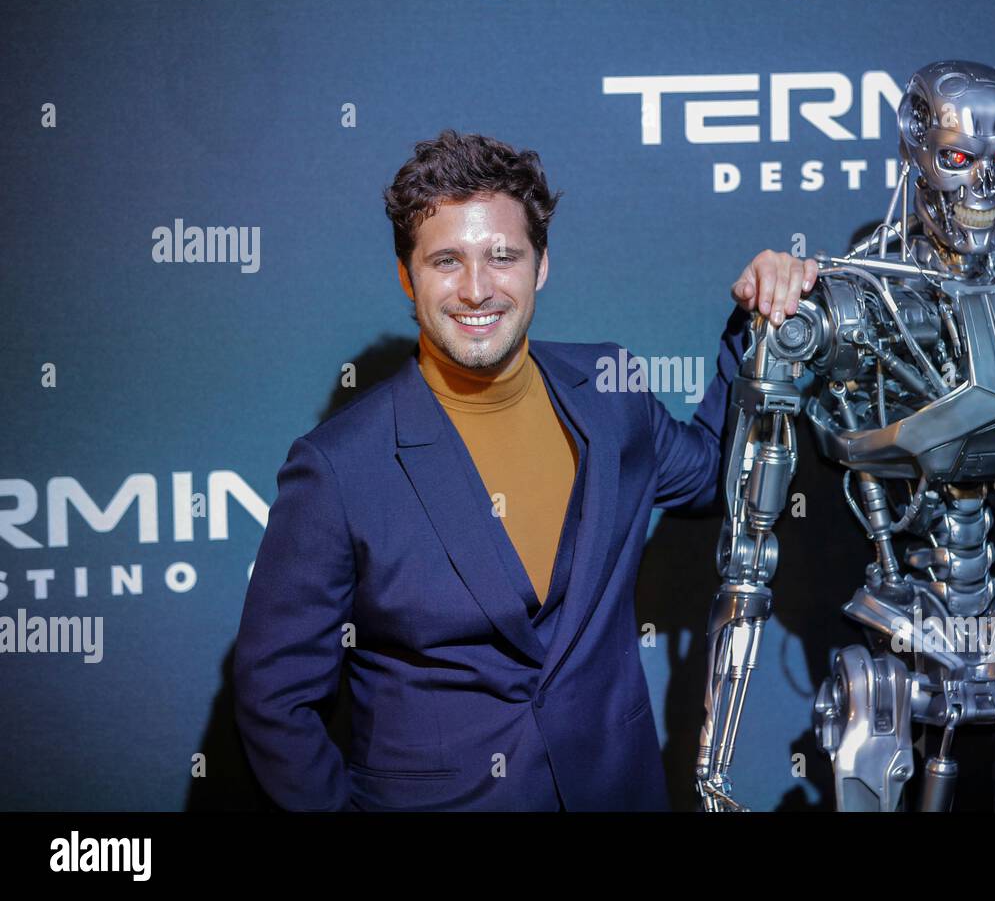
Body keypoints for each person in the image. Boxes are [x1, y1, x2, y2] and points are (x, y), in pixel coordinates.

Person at [231, 129, 817, 810]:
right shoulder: (339, 467)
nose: (477, 289)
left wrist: (761, 326)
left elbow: (725, 473)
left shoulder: (610, 391)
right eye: (446, 260)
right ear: (406, 275)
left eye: (502, 256)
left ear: (540, 265)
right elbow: (274, 697)